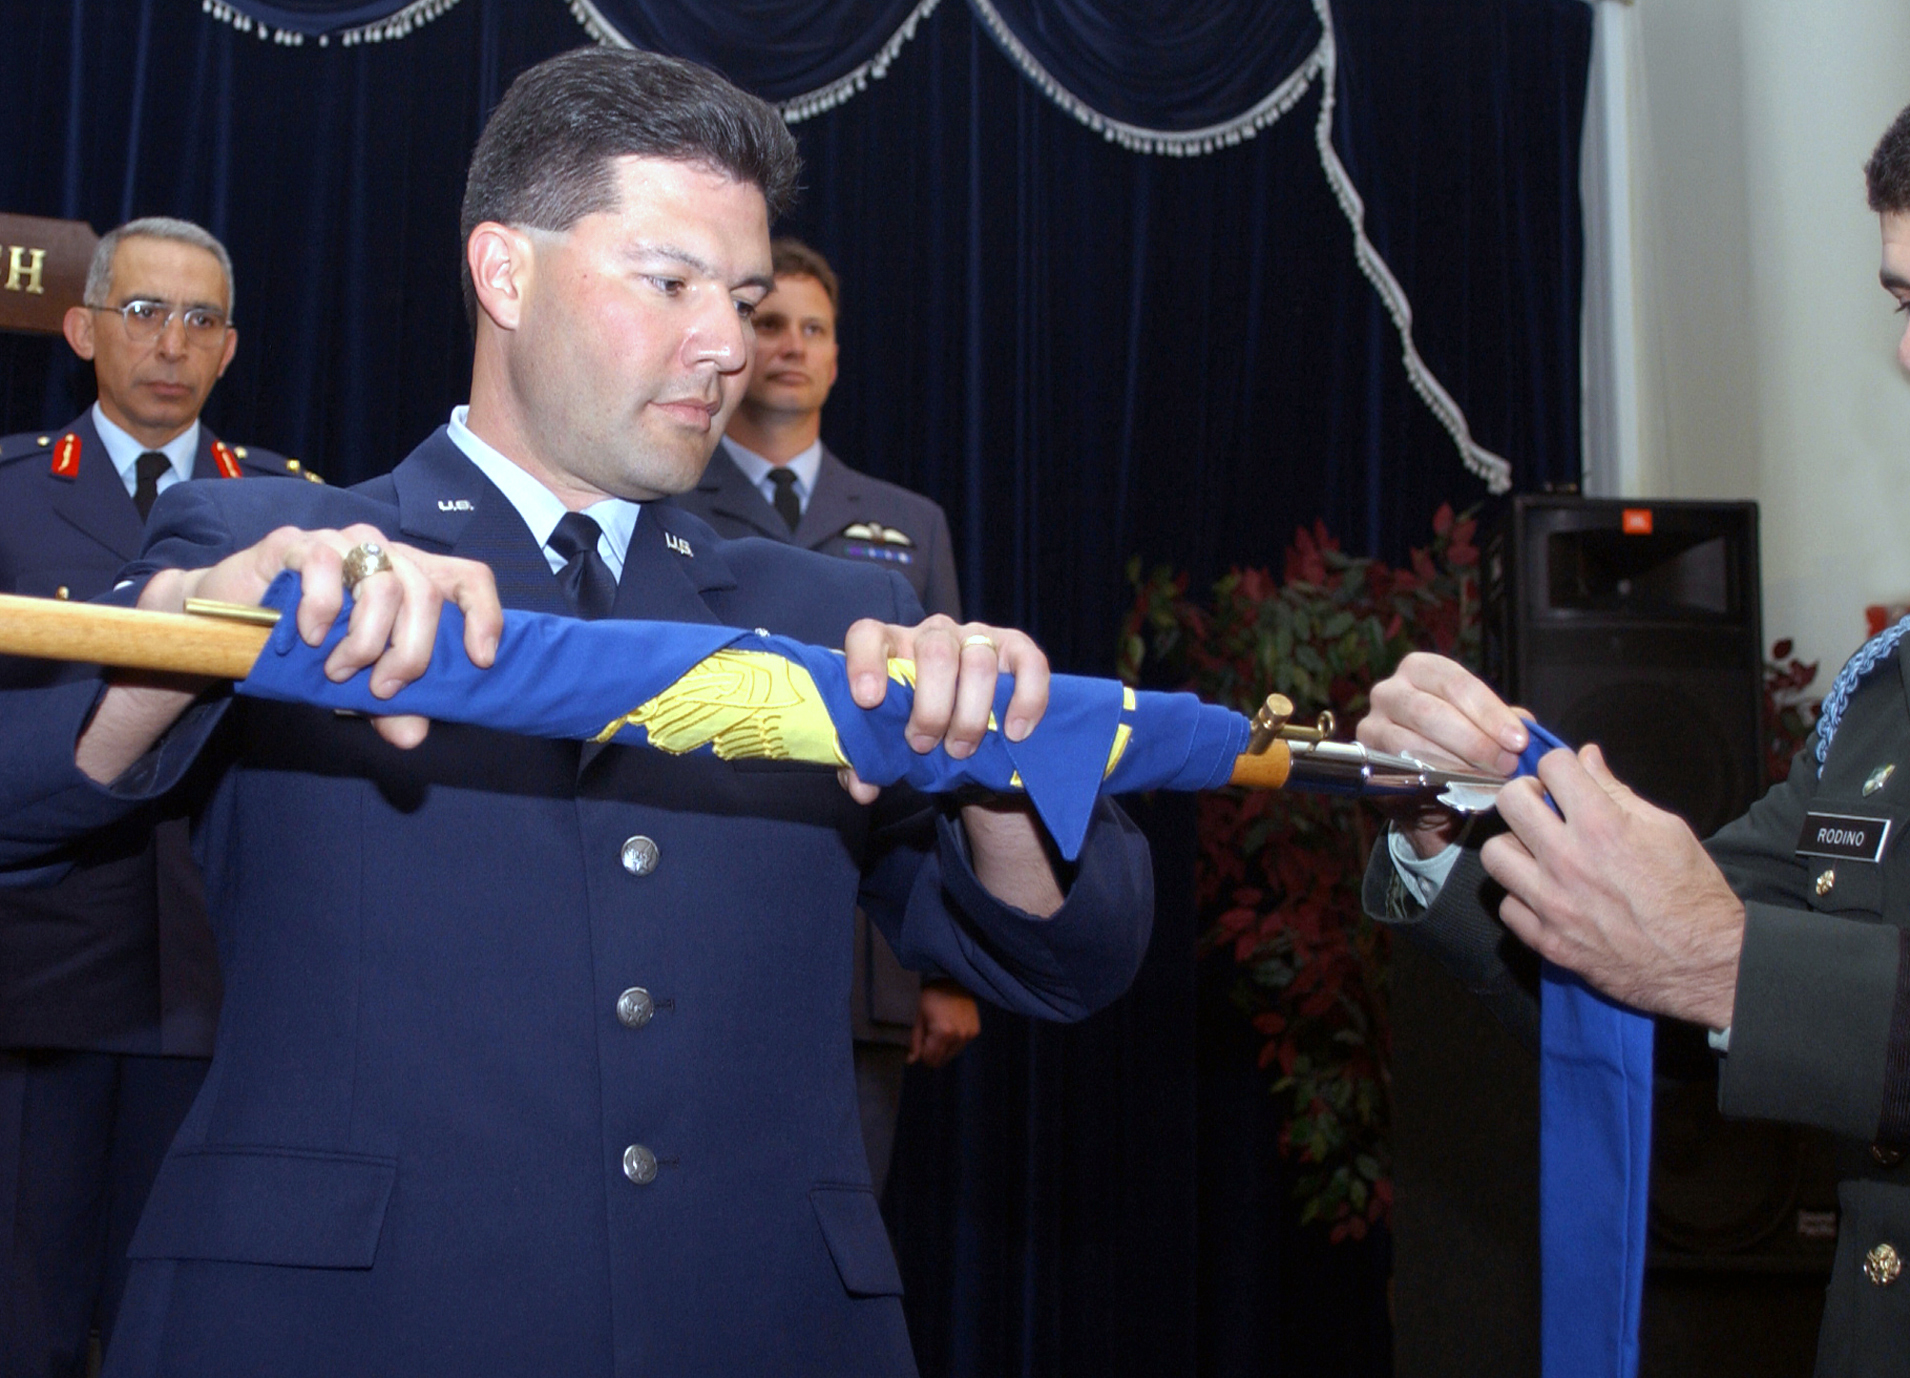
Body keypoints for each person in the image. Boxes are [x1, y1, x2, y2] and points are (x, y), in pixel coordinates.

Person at [0, 48, 1151, 1378]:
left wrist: (997, 763)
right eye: (670, 284)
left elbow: (1073, 958)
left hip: (758, 1327)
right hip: (341, 1329)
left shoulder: (835, 616)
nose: (728, 346)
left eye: (744, 299)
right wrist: (197, 634)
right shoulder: (269, 546)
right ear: (505, 273)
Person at [1359, 39, 1910, 1378]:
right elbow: (1660, 942)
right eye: (1903, 296)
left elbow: (1731, 957)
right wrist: (1446, 819)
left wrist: (1731, 965)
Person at [0, 216, 310, 1378]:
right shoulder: (11, 493)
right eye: (142, 312)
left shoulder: (291, 513)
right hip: (38, 970)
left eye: (199, 319)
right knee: (22, 1319)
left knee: (178, 1326)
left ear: (229, 349)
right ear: (83, 330)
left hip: (218, 979)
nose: (171, 343)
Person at [675, 238, 977, 1198]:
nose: (791, 346)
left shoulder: (909, 523)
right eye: (769, 323)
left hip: (864, 956)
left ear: (839, 357)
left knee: (836, 1221)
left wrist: (949, 968)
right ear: (736, 339)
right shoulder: (666, 497)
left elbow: (949, 746)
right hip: (697, 916)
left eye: (815, 329)